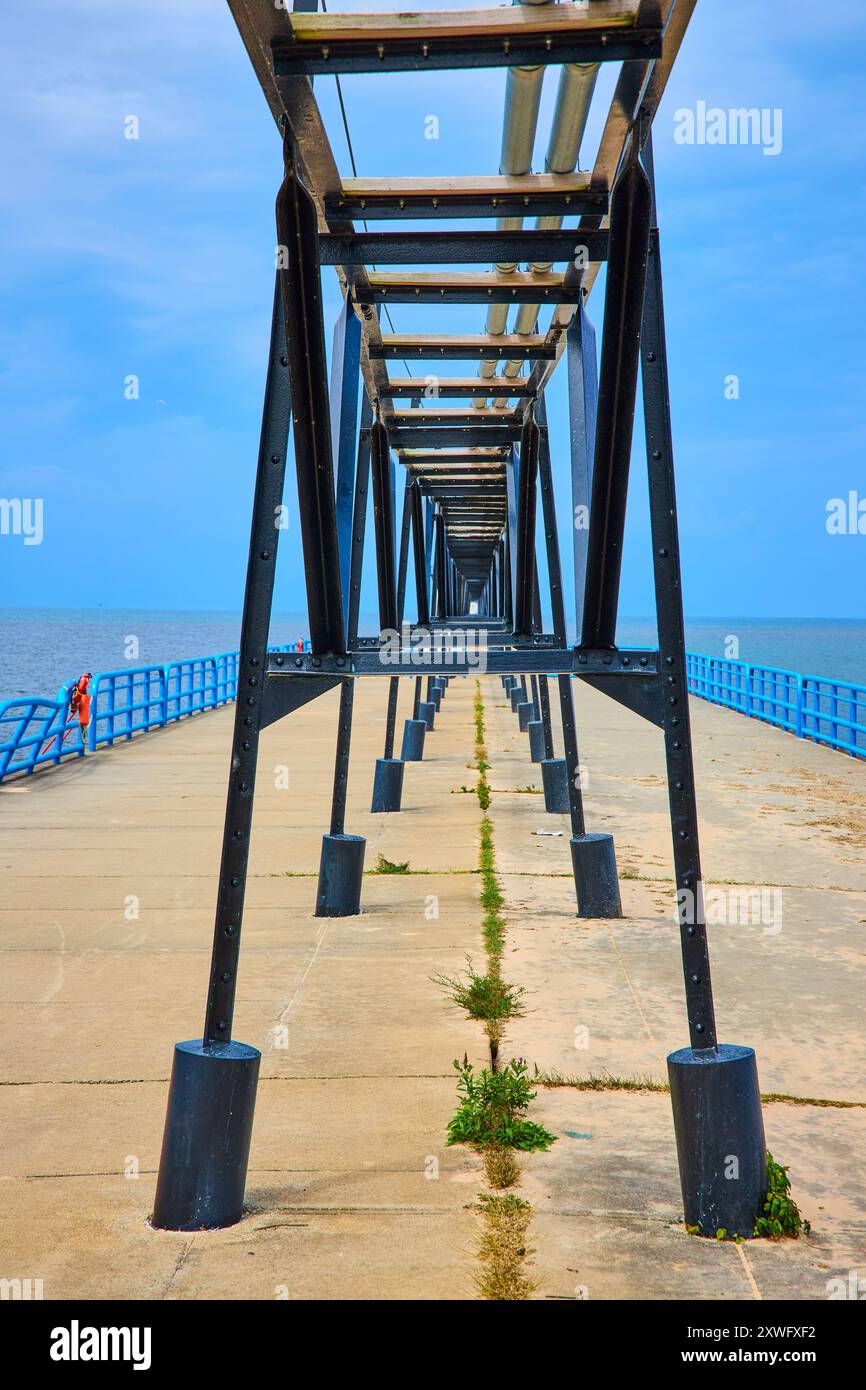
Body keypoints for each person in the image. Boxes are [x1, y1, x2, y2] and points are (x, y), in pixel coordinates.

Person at [68, 673, 92, 747]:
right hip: (77, 700)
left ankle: (82, 744)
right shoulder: (81, 684)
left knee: (83, 722)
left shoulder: (82, 684)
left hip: (78, 700)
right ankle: (83, 742)